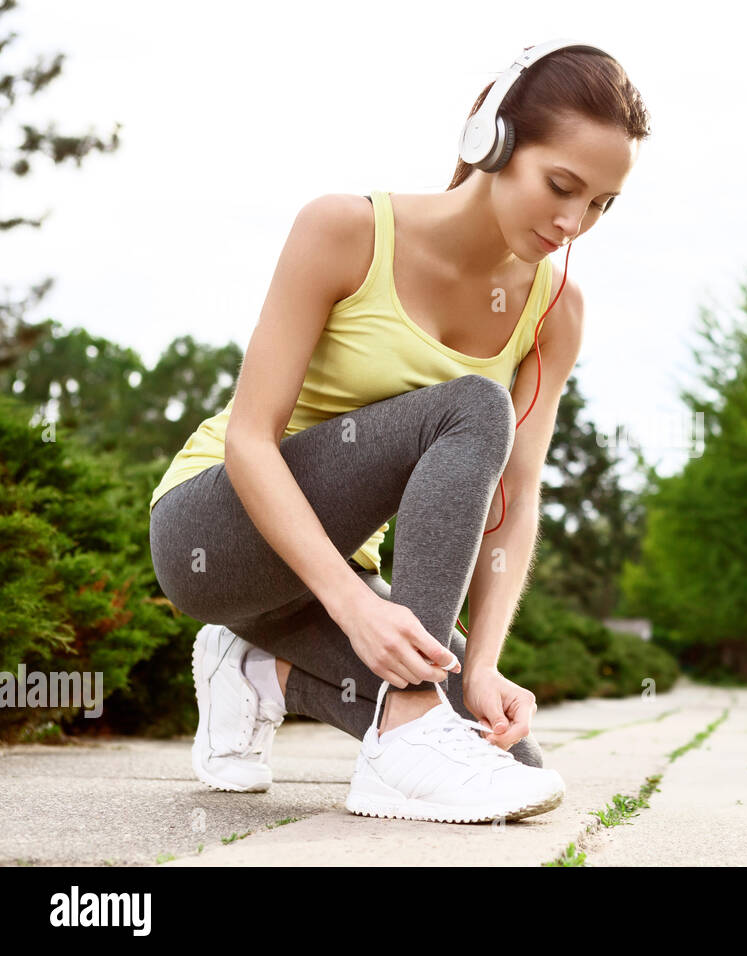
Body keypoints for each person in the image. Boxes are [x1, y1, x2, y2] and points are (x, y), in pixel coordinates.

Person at [148, 41, 649, 823]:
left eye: (600, 204)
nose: (572, 222)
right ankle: (407, 726)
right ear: (493, 141)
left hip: (335, 572)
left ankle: (253, 670)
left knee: (501, 749)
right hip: (214, 536)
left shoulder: (556, 310)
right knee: (474, 407)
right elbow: (250, 438)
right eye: (562, 186)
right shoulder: (346, 230)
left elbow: (514, 495)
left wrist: (479, 664)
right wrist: (354, 606)